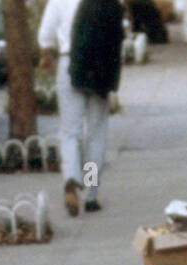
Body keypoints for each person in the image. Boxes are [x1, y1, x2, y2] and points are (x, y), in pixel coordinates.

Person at [39, 0, 122, 216]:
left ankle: (71, 180)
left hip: (70, 64)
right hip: (100, 68)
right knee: (96, 133)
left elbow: (46, 33)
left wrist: (46, 56)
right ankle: (91, 194)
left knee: (70, 131)